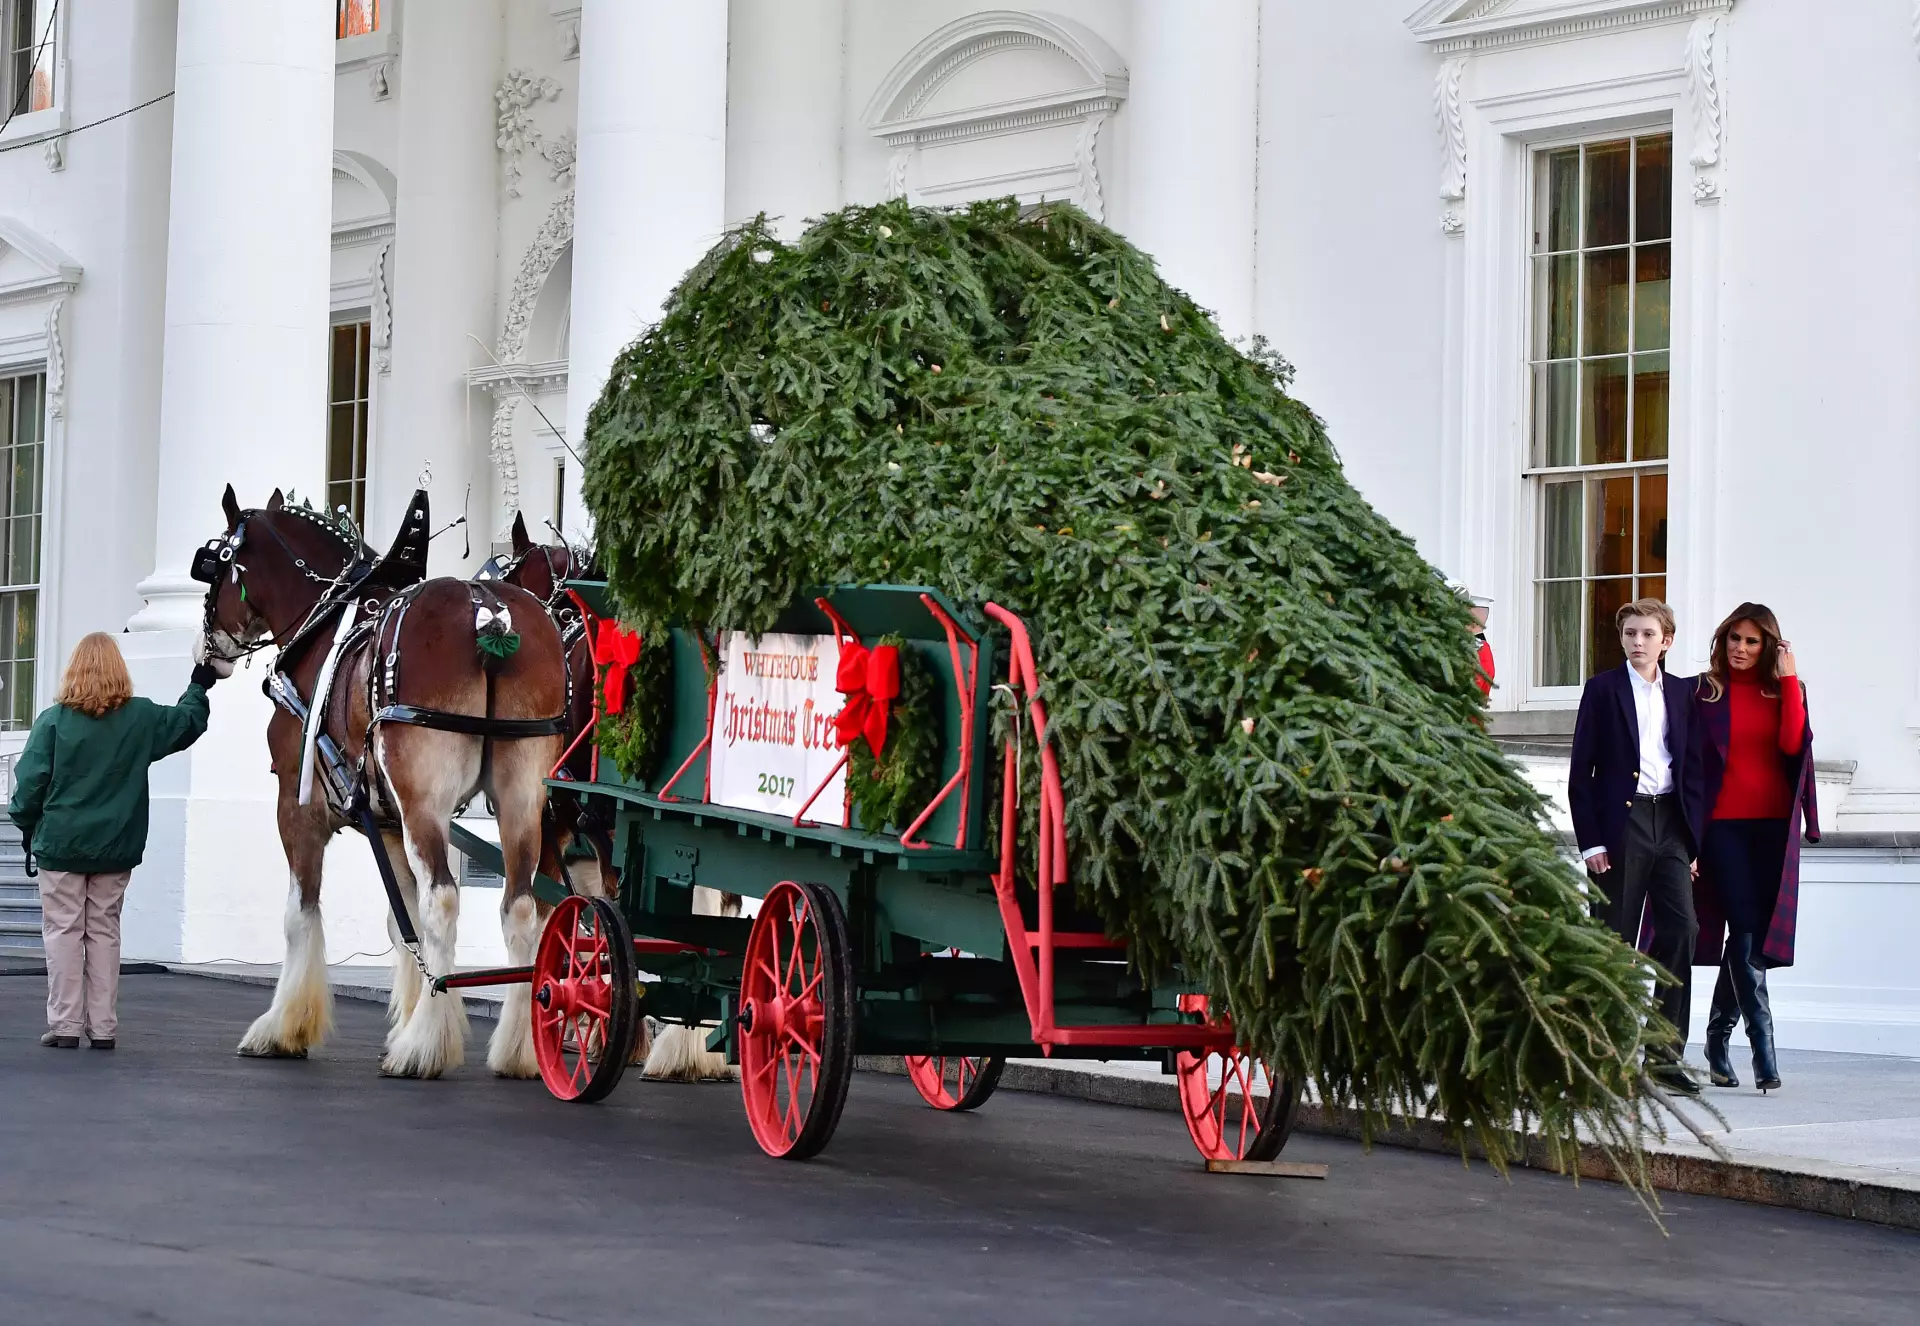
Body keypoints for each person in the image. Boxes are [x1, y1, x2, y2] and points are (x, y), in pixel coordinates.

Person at [8, 633, 226, 1049]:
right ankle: (103, 1027)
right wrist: (200, 681)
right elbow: (187, 722)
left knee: (63, 933)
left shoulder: (53, 721)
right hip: (115, 845)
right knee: (104, 932)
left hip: (61, 845)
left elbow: (31, 784)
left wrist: (25, 822)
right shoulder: (140, 718)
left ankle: (66, 1025)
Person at [1567, 598, 1707, 1094]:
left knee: (1683, 928)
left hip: (1669, 821)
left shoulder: (1686, 693)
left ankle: (1665, 1058)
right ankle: (1601, 1057)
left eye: (1647, 634)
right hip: (1619, 826)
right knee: (1613, 940)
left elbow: (1695, 768)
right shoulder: (1602, 690)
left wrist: (1692, 842)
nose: (1637, 642)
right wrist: (1591, 844)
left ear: (1666, 641)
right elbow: (1580, 774)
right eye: (1630, 633)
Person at [1693, 604, 1817, 1093]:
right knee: (1744, 928)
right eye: (1733, 640)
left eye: (1751, 642)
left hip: (1772, 829)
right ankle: (1764, 1050)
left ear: (1768, 646)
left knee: (1747, 940)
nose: (1740, 649)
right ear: (1722, 641)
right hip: (1722, 828)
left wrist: (1789, 681)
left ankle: (1716, 1041)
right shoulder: (1701, 691)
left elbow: (1792, 745)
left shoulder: (1787, 690)